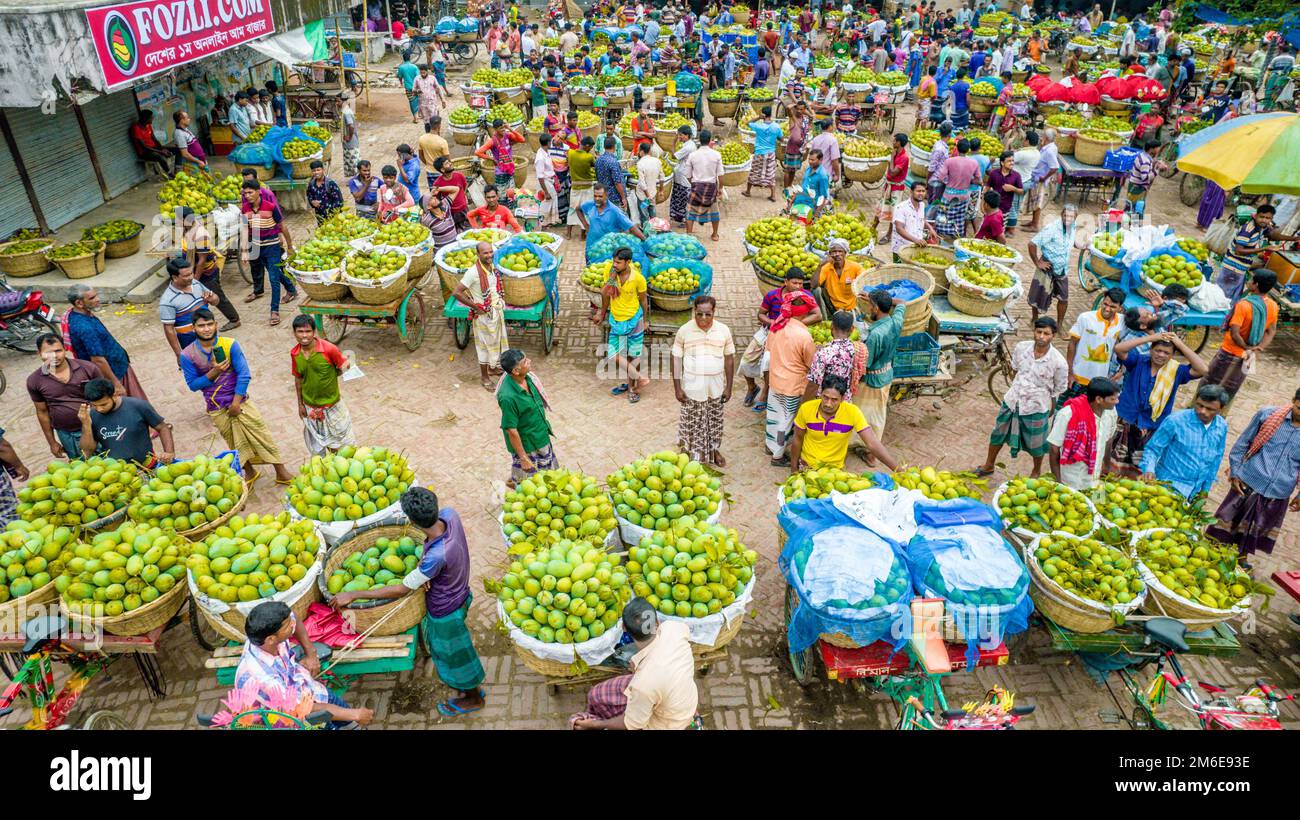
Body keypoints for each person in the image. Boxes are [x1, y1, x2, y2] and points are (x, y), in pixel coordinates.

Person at [180, 309, 293, 484]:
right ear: (193, 328)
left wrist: (235, 403)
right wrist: (214, 372)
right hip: (215, 405)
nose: (206, 329)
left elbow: (244, 374)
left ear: (216, 325)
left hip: (239, 400)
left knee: (261, 434)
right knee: (233, 441)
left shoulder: (230, 344)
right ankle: (249, 472)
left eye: (210, 324)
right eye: (201, 326)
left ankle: (281, 472)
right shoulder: (187, 355)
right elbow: (193, 385)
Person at [237, 601, 372, 728]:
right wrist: (355, 714)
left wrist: (310, 652)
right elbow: (304, 708)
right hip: (291, 718)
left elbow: (292, 616)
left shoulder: (264, 639)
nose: (292, 624)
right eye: (287, 626)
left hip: (310, 690)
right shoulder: (263, 677)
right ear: (271, 639)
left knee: (347, 719)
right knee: (346, 716)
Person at [570, 597, 698, 730]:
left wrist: (595, 725)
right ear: (657, 622)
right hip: (681, 696)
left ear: (624, 628)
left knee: (597, 700)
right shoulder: (674, 628)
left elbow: (631, 724)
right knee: (596, 694)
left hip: (666, 723)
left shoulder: (643, 685)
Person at [1207, 391, 1300, 566]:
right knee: (1226, 522)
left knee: (1255, 530)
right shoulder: (1267, 416)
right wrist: (1235, 471)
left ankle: (1241, 559)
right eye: (1299, 407)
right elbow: (1243, 443)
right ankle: (1209, 554)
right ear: (1293, 401)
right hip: (1249, 480)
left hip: (1278, 490)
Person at [1106, 331, 1209, 476]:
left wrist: (1179, 344)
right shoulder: (1138, 361)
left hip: (1150, 426)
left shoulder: (1177, 371)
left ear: (1172, 355)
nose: (1161, 355)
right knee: (1109, 460)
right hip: (1125, 419)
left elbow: (1203, 369)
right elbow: (1119, 349)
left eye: (1166, 352)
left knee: (1136, 466)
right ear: (1151, 350)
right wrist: (1151, 338)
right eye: (1158, 350)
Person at [977, 317, 1069, 477]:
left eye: (1046, 333)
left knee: (1037, 443)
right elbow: (1015, 369)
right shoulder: (1021, 348)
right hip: (1013, 400)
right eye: (1038, 332)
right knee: (998, 433)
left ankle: (1036, 470)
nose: (1041, 336)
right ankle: (989, 465)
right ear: (1034, 331)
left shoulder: (1059, 362)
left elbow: (1059, 388)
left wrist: (1050, 407)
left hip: (1037, 405)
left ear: (1053, 335)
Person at [671, 296, 735, 466]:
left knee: (714, 420)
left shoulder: (723, 330)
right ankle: (689, 451)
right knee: (691, 420)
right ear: (694, 312)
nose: (703, 319)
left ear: (714, 312)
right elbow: (676, 358)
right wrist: (677, 388)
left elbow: (729, 358)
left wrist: (729, 387)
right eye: (699, 314)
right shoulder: (685, 330)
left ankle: (714, 450)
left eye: (707, 314)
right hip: (692, 386)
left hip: (716, 386)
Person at [1137, 384, 1229, 500]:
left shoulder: (1221, 426)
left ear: (1221, 409)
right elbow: (1153, 449)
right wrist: (1149, 469)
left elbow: (1216, 460)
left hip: (1194, 493)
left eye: (1210, 409)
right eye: (1199, 405)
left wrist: (1205, 489)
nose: (1202, 411)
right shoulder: (1176, 421)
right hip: (1166, 487)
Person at [791, 374, 900, 471]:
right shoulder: (806, 409)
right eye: (825, 397)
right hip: (807, 466)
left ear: (842, 398)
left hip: (834, 470)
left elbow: (872, 443)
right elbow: (798, 438)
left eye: (834, 399)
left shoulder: (852, 412)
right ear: (820, 393)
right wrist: (794, 469)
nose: (828, 404)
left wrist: (897, 469)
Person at [1202, 270, 1280, 406]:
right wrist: (1257, 348)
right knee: (1232, 386)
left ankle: (1197, 407)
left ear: (1255, 285)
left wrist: (1246, 347)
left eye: (1250, 280)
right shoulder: (1273, 306)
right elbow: (1271, 331)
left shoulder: (1244, 305)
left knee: (1210, 381)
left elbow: (1235, 333)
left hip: (1229, 351)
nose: (1248, 282)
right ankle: (1221, 412)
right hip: (1249, 356)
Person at [65, 285, 149, 401]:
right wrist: (116, 384)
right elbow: (98, 360)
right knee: (131, 405)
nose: (98, 299)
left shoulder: (81, 314)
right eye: (92, 298)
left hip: (118, 366)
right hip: (114, 373)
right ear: (79, 303)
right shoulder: (84, 327)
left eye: (96, 295)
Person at [764, 289, 818, 466]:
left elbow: (769, 352)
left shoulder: (777, 326)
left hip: (775, 380)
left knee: (774, 415)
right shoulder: (804, 337)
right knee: (785, 422)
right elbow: (812, 365)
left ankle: (770, 445)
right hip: (792, 386)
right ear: (805, 313)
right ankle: (778, 455)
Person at [290, 315, 355, 457]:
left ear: (314, 332)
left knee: (339, 448)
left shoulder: (329, 349)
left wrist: (334, 373)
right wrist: (300, 404)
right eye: (300, 332)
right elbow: (298, 379)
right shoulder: (295, 354)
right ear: (294, 333)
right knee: (318, 449)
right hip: (310, 408)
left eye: (308, 331)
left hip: (332, 406)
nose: (304, 335)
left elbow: (345, 365)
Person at [28, 334, 101, 459]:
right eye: (48, 352)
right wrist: (52, 442)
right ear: (39, 353)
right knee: (81, 468)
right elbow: (42, 412)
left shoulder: (88, 368)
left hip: (97, 428)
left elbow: (105, 398)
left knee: (111, 461)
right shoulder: (34, 380)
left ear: (65, 349)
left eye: (58, 351)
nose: (54, 356)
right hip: (68, 434)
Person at [595, 247, 650, 404]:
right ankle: (640, 378)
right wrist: (602, 312)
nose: (615, 264)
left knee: (634, 355)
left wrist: (645, 321)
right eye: (614, 261)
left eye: (618, 262)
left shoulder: (638, 278)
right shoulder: (609, 270)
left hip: (634, 320)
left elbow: (643, 300)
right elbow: (606, 294)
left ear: (628, 262)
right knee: (613, 354)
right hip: (617, 320)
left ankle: (634, 388)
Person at [452, 242, 509, 391]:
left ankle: (493, 368)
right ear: (478, 255)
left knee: (496, 342)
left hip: (495, 311)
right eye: (485, 253)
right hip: (484, 316)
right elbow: (457, 292)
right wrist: (476, 307)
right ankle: (484, 377)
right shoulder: (473, 273)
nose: (489, 255)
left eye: (491, 252)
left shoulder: (491, 267)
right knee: (484, 346)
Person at [77, 378, 173, 466]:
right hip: (117, 472)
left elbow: (162, 427)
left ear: (114, 395)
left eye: (103, 404)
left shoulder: (138, 406)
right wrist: (86, 425)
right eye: (94, 405)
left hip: (147, 465)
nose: (99, 409)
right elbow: (87, 451)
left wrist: (169, 452)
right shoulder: (92, 415)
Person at [495, 348, 557, 483]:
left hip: (541, 435)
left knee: (549, 476)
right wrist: (523, 457)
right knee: (530, 483)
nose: (529, 361)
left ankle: (515, 479)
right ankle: (515, 481)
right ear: (516, 371)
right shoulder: (507, 397)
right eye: (525, 361)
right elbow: (511, 429)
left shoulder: (528, 378)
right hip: (527, 444)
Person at [240, 180, 297, 325]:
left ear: (259, 191)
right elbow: (245, 229)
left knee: (273, 278)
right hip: (257, 247)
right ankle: (291, 289)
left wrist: (289, 246)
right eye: (245, 193)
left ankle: (274, 311)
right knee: (275, 272)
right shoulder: (245, 209)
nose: (247, 196)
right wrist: (245, 250)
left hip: (272, 247)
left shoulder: (271, 207)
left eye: (250, 192)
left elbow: (282, 227)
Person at [1048, 377, 1120, 491]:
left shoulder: (1111, 413)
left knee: (1097, 505)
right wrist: (1058, 482)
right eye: (1113, 399)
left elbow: (1109, 439)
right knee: (1074, 507)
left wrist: (1106, 465)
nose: (1117, 402)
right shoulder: (1068, 415)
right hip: (1072, 481)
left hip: (1096, 478)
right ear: (1099, 399)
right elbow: (1054, 449)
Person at [1215, 205, 1298, 303]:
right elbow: (1239, 250)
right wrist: (1265, 248)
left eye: (1268, 218)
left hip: (1241, 268)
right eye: (1262, 217)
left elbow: (1273, 235)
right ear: (1256, 216)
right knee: (1222, 297)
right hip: (1232, 268)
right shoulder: (1248, 230)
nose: (1264, 220)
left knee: (1233, 297)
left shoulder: (1263, 227)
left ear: (1271, 219)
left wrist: (1294, 239)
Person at [855, 288, 906, 443]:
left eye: (871, 305)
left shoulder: (875, 335)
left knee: (867, 416)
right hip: (887, 373)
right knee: (878, 414)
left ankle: (870, 451)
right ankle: (870, 449)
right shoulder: (896, 321)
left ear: (876, 308)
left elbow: (866, 364)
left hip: (872, 381)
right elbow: (902, 303)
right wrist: (878, 298)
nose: (869, 308)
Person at [159, 255, 220, 360]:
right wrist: (179, 354)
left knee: (223, 364)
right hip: (191, 345)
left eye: (191, 273)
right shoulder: (167, 301)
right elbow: (168, 329)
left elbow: (215, 301)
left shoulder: (196, 283)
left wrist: (213, 298)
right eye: (186, 276)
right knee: (203, 372)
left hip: (213, 339)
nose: (191, 277)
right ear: (174, 277)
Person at [1027, 203, 1078, 327]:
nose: (1068, 219)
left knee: (1064, 298)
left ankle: (1059, 325)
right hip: (1047, 266)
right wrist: (1038, 262)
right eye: (1066, 215)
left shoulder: (1073, 226)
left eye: (1071, 217)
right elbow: (1032, 243)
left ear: (1076, 217)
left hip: (1062, 269)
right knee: (1037, 296)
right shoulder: (1052, 229)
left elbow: (1072, 242)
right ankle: (1034, 319)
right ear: (1062, 215)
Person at [805, 309, 868, 402]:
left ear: (831, 326)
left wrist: (803, 405)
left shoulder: (824, 353)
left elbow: (813, 384)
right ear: (852, 329)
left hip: (825, 402)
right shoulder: (859, 349)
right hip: (844, 401)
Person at [578, 183, 645, 260]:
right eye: (595, 196)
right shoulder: (590, 205)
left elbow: (631, 227)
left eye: (600, 196)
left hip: (606, 251)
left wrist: (645, 240)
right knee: (589, 268)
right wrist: (585, 225)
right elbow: (578, 209)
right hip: (591, 247)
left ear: (606, 195)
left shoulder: (615, 211)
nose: (597, 198)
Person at [683, 129, 723, 241]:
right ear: (710, 140)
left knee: (690, 211)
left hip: (697, 186)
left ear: (699, 141)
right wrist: (720, 188)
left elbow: (687, 174)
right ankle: (715, 234)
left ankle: (689, 234)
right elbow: (720, 175)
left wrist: (693, 184)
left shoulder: (693, 155)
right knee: (714, 210)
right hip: (711, 186)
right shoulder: (716, 155)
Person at [475, 119, 526, 205]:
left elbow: (522, 139)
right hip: (500, 171)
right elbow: (477, 152)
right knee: (501, 195)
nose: (503, 130)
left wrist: (510, 128)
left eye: (503, 127)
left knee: (511, 192)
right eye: (500, 128)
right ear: (495, 129)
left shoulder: (508, 135)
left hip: (510, 168)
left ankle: (511, 210)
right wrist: (491, 158)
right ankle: (502, 210)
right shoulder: (492, 141)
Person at [814, 238, 864, 316]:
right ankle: (824, 316)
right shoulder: (826, 268)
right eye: (834, 251)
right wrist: (819, 266)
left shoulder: (855, 267)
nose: (837, 254)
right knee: (816, 290)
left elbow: (864, 280)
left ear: (845, 253)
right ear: (829, 254)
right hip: (834, 307)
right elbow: (813, 285)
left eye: (840, 251)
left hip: (853, 307)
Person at [1024, 130, 1060, 232]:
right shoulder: (1050, 147)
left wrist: (1044, 177)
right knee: (1035, 200)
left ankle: (1035, 225)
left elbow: (1055, 167)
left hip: (1040, 179)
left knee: (1038, 202)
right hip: (1038, 177)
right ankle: (1033, 222)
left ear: (1047, 138)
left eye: (1043, 136)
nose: (1041, 138)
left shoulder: (1049, 151)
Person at [744, 106, 782, 202]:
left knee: (754, 171)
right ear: (771, 114)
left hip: (759, 152)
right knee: (770, 173)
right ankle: (773, 195)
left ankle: (748, 191)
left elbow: (748, 123)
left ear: (763, 115)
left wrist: (758, 118)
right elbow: (781, 139)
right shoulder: (776, 126)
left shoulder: (758, 126)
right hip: (771, 153)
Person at [891, 180, 938, 256]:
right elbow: (899, 229)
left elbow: (921, 219)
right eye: (918, 191)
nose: (921, 194)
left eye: (923, 191)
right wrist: (916, 240)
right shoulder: (901, 208)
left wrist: (930, 228)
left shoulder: (922, 205)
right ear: (911, 192)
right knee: (900, 268)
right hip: (901, 249)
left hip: (916, 247)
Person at [985, 151, 1023, 235]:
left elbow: (1021, 191)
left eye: (1012, 161)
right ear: (1002, 162)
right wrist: (982, 203)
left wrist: (1014, 188)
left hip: (1005, 209)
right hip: (991, 207)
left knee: (1000, 231)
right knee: (988, 229)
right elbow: (987, 187)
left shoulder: (1016, 175)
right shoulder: (994, 173)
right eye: (1009, 161)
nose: (1012, 163)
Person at [431, 155, 471, 230]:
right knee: (454, 232)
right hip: (451, 212)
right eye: (447, 163)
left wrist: (464, 197)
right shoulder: (437, 183)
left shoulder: (460, 176)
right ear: (442, 170)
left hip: (463, 209)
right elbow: (438, 199)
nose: (450, 163)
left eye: (449, 162)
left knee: (468, 230)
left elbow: (464, 187)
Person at [129, 110, 172, 176]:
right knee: (161, 158)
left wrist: (162, 149)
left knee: (176, 150)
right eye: (151, 118)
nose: (152, 119)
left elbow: (154, 139)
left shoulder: (148, 125)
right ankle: (170, 174)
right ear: (145, 119)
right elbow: (144, 147)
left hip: (154, 148)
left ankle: (177, 169)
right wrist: (160, 152)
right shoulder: (136, 128)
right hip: (145, 152)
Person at [632, 141, 662, 226]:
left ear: (642, 151)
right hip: (653, 193)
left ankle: (646, 233)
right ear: (649, 151)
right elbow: (662, 177)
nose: (638, 152)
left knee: (644, 215)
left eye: (638, 151)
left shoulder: (640, 164)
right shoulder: (657, 161)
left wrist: (648, 196)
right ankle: (655, 230)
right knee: (652, 213)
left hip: (643, 196)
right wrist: (661, 190)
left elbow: (642, 184)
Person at [418, 117, 451, 191]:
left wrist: (428, 164)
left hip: (429, 171)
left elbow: (420, 156)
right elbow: (448, 160)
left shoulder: (422, 139)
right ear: (439, 126)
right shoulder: (442, 142)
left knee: (433, 194)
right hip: (441, 172)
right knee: (444, 194)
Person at [340, 91, 361, 178]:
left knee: (353, 160)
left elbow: (351, 126)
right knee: (350, 159)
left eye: (338, 101)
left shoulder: (346, 113)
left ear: (342, 101)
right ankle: (353, 178)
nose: (337, 103)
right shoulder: (346, 110)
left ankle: (357, 179)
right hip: (349, 141)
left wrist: (349, 136)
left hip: (351, 141)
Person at [397, 53, 421, 121]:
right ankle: (419, 114)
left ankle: (415, 117)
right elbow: (418, 77)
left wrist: (401, 83)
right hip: (416, 87)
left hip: (408, 87)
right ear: (410, 58)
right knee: (418, 99)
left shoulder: (401, 67)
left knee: (411, 101)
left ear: (403, 58)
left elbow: (400, 77)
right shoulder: (414, 67)